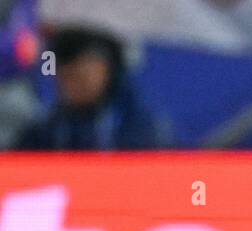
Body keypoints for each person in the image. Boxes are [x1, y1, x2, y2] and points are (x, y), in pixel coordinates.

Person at [16, 27, 168, 150]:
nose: (72, 87)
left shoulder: (144, 130)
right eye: (65, 78)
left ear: (108, 70)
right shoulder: (46, 132)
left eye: (81, 77)